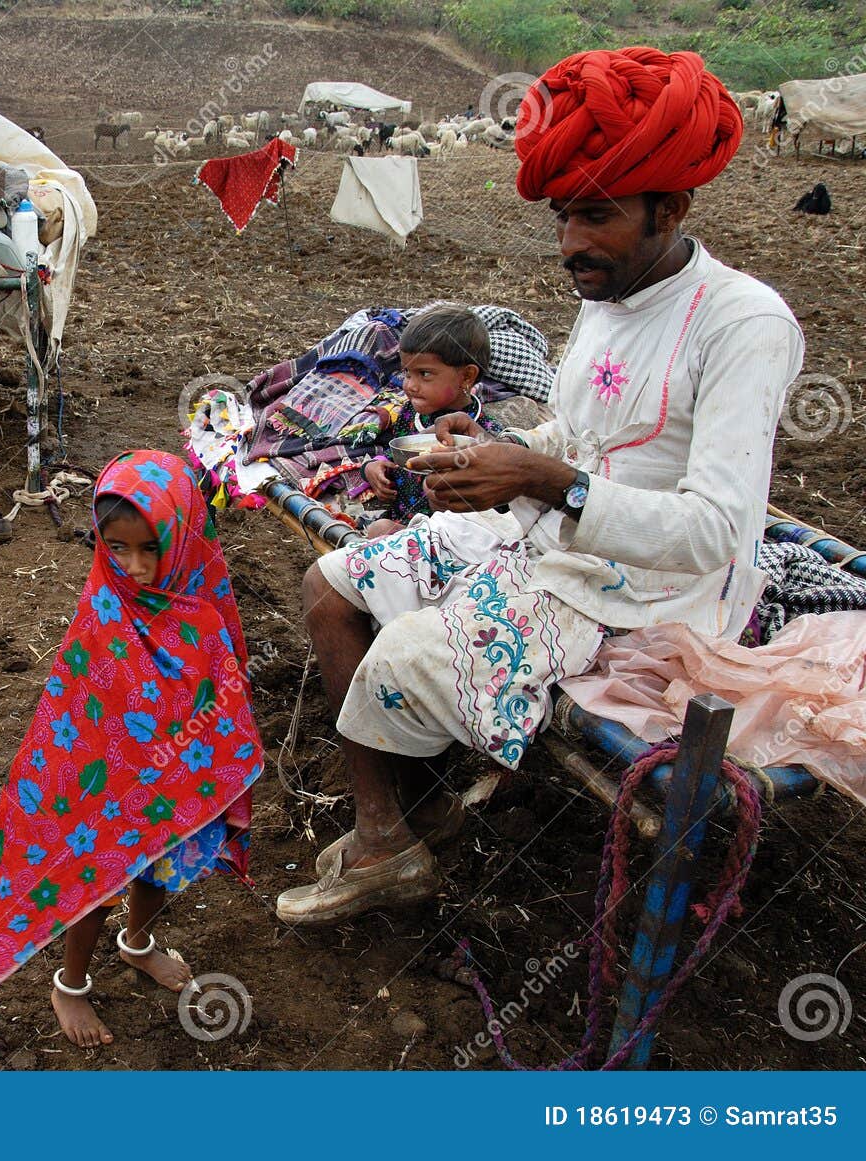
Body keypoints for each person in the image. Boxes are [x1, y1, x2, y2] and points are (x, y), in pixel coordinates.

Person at [277, 47, 804, 927]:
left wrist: (546, 480)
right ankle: (405, 824)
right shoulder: (610, 293)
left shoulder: (744, 324)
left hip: (650, 590)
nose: (570, 245)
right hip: (552, 531)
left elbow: (714, 529)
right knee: (331, 585)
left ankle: (387, 840)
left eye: (595, 216)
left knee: (404, 652)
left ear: (670, 208)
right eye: (564, 217)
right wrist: (502, 447)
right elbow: (579, 430)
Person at [0, 450, 264, 1047]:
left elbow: (222, 693)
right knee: (93, 876)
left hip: (173, 773)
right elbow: (78, 706)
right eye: (117, 548)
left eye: (151, 548)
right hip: (101, 783)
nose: (136, 567)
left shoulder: (202, 610)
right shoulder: (105, 606)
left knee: (160, 861)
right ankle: (70, 984)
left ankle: (138, 944)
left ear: (185, 539)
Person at [346, 304, 504, 537]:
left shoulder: (483, 432)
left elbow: (499, 495)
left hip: (452, 535)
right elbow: (396, 453)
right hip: (403, 519)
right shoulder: (410, 413)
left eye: (425, 374)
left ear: (467, 376)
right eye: (407, 373)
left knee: (380, 531)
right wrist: (374, 466)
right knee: (375, 525)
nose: (410, 385)